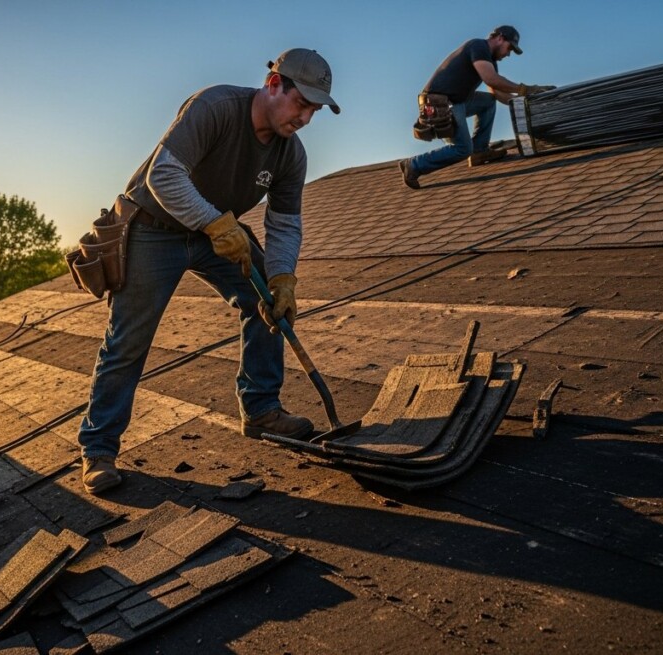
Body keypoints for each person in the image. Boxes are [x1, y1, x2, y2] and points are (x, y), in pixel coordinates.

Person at [77, 48, 340, 495]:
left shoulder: (289, 154)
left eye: (314, 111)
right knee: (128, 340)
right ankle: (99, 448)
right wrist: (216, 222)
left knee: (267, 306)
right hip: (154, 226)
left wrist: (282, 278)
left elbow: (284, 223)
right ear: (274, 84)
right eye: (301, 104)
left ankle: (260, 409)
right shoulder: (216, 106)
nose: (305, 119)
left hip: (215, 230)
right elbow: (163, 176)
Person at [399, 25, 549, 190]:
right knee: (462, 149)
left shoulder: (489, 59)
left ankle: (479, 150)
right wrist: (524, 88)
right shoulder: (478, 46)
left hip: (457, 101)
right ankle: (413, 165)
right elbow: (491, 79)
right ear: (499, 38)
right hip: (439, 103)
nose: (508, 54)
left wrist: (526, 99)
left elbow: (498, 93)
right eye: (509, 48)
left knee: (489, 101)